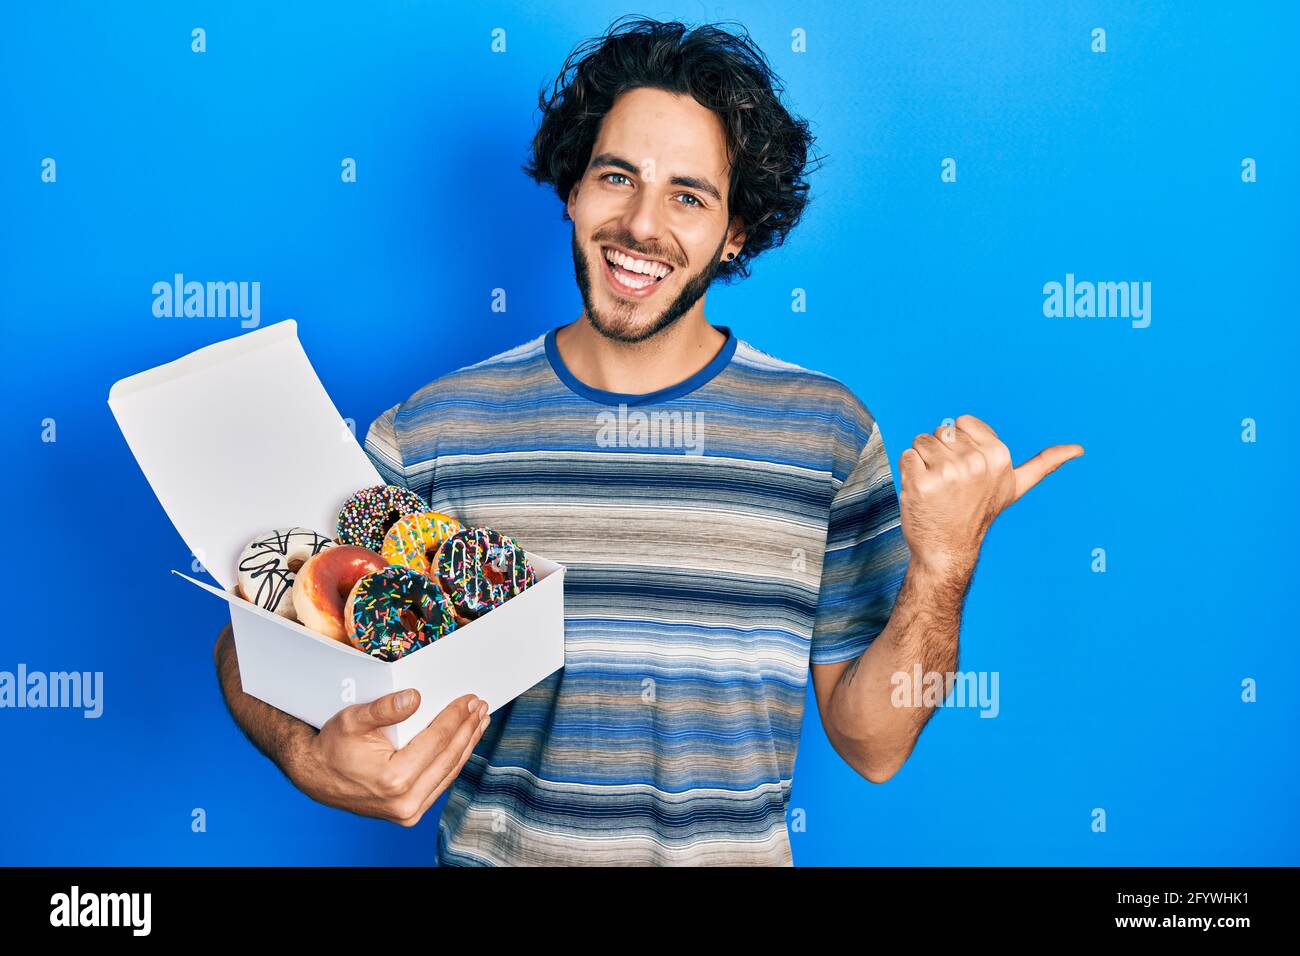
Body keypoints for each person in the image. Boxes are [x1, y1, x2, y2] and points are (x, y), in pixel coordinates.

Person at [214, 16, 1082, 865]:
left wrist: (944, 566)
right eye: (616, 177)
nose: (640, 225)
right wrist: (305, 754)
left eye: (689, 195)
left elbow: (873, 743)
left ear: (736, 230)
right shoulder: (437, 428)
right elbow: (251, 633)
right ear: (572, 188)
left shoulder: (827, 434)